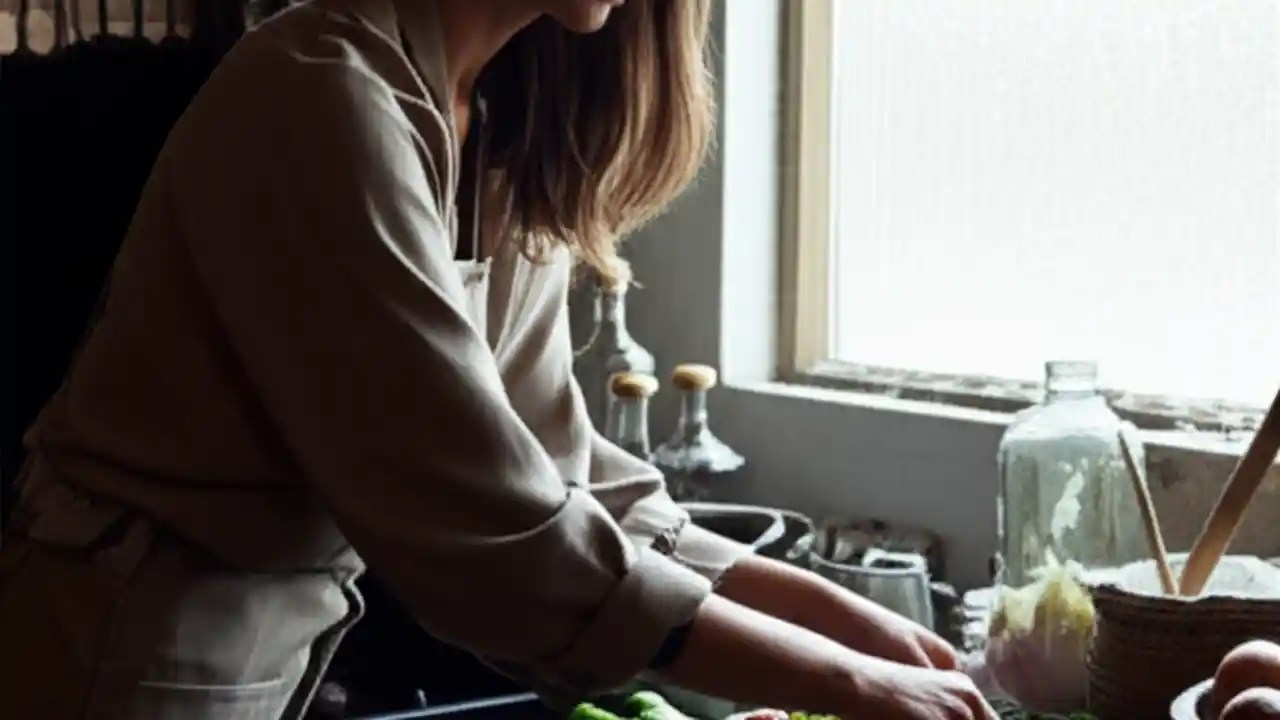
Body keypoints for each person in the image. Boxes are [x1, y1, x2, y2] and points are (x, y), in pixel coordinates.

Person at [0, 1, 999, 718]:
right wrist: (847, 682)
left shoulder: (500, 132)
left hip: (275, 666)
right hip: (125, 663)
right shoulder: (315, 94)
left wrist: (861, 629)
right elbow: (502, 538)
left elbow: (575, 487)